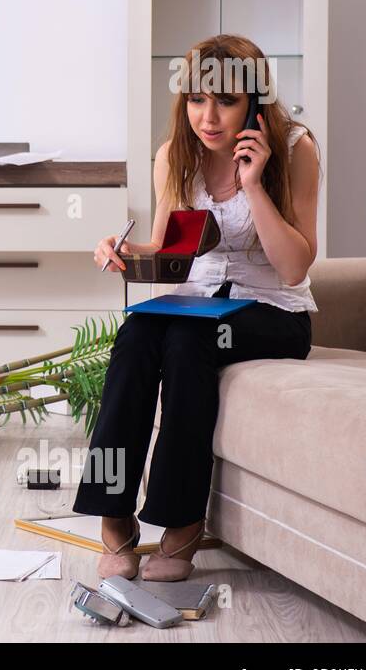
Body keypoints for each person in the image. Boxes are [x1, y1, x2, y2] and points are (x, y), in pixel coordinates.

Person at [73, 34, 321, 582]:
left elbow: (295, 268)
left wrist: (254, 186)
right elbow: (169, 249)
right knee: (136, 334)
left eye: (226, 102)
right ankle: (114, 510)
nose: (207, 118)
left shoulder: (297, 149)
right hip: (199, 303)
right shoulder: (174, 154)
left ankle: (180, 520)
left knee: (189, 340)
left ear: (254, 104)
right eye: (195, 99)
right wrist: (123, 250)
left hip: (273, 311)